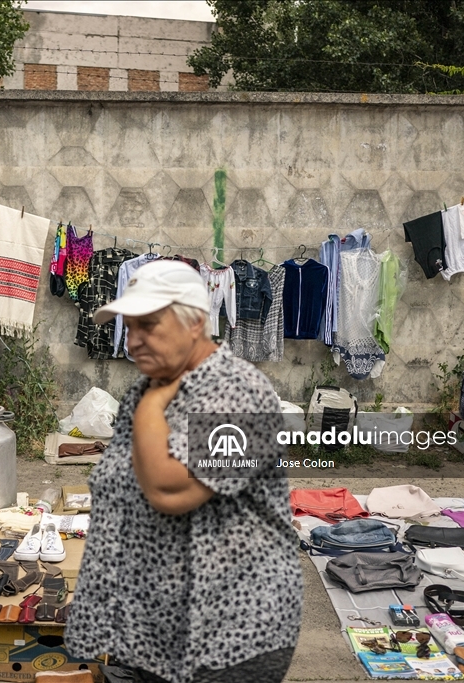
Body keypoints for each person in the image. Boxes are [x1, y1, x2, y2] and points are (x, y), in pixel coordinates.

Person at [65, 261, 303, 683]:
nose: (132, 341)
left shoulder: (237, 391)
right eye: (128, 326)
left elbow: (166, 490)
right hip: (158, 630)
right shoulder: (151, 384)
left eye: (148, 325)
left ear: (195, 323)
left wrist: (151, 411)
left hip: (227, 635)